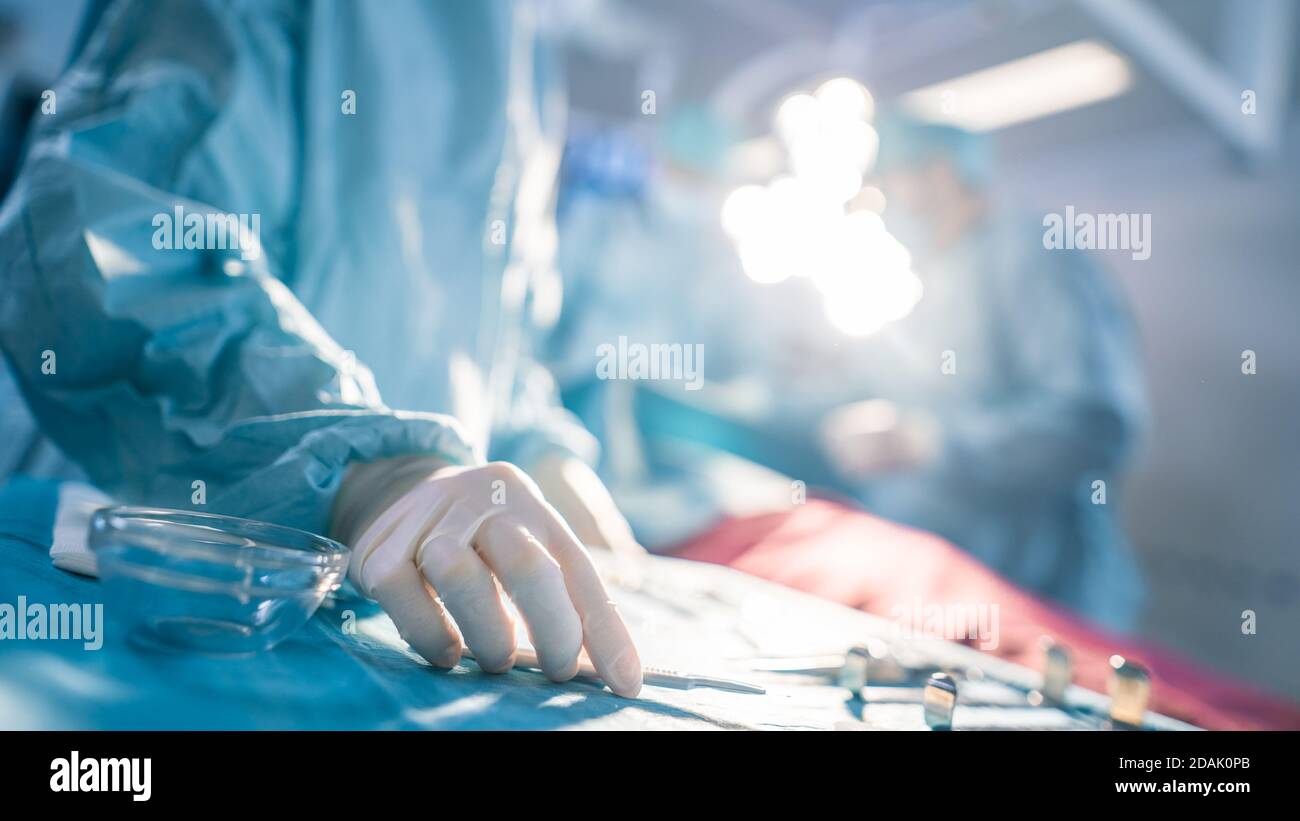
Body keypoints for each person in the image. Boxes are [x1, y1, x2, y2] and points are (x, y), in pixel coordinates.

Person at [0, 0, 642, 696]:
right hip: (141, 562)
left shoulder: (524, 41)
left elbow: (491, 331)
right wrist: (364, 469)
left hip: (391, 604)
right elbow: (113, 238)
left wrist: (537, 451)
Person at [548, 113, 1148, 630]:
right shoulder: (935, 271)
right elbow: (887, 388)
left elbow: (1095, 423)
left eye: (888, 187)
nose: (882, 207)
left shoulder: (1032, 255)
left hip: (1044, 586)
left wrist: (935, 442)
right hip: (933, 576)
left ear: (938, 175)